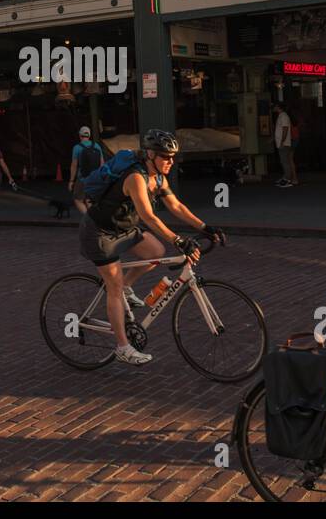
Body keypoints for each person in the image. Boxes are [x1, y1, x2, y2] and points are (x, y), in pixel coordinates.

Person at [78, 129, 226, 366]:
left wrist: (206, 227)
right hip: (100, 232)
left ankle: (127, 286)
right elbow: (149, 216)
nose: (170, 161)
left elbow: (176, 206)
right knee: (112, 287)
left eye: (172, 157)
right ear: (150, 155)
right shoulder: (136, 177)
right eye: (165, 157)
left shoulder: (158, 177)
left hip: (124, 228)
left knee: (155, 252)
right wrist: (178, 240)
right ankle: (123, 347)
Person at [67, 126, 107, 214]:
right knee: (89, 200)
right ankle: (94, 219)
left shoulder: (77, 148)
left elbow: (74, 165)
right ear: (89, 135)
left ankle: (89, 219)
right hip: (95, 178)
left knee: (78, 200)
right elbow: (102, 163)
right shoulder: (96, 146)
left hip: (82, 178)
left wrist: (71, 181)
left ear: (80, 135)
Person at [273, 102, 299, 187]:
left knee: (287, 161)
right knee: (287, 160)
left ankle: (289, 179)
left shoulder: (284, 116)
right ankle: (290, 178)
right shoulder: (284, 116)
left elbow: (285, 129)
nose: (274, 107)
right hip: (290, 141)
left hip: (287, 142)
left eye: (275, 106)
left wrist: (282, 141)